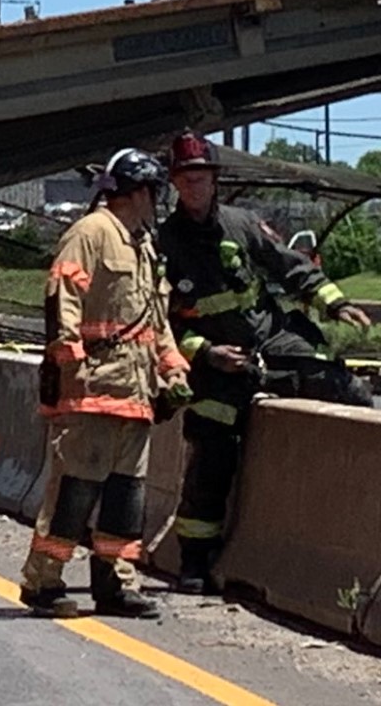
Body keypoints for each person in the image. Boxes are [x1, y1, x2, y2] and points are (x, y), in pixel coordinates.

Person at [157, 130, 373, 594]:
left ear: (214, 180)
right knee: (211, 452)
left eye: (203, 177)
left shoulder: (242, 225)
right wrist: (207, 353)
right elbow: (159, 324)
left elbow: (289, 266)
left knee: (340, 385)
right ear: (175, 183)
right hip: (212, 364)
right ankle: (195, 561)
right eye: (186, 178)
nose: (195, 185)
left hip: (270, 340)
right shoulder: (163, 245)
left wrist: (334, 304)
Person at [20, 148, 191, 619]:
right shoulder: (91, 233)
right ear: (137, 192)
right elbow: (63, 295)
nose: (157, 202)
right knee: (74, 491)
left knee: (124, 497)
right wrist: (68, 359)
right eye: (154, 192)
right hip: (90, 390)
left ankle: (116, 584)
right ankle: (43, 582)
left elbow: (154, 320)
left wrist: (172, 366)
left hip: (134, 395)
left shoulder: (142, 246)